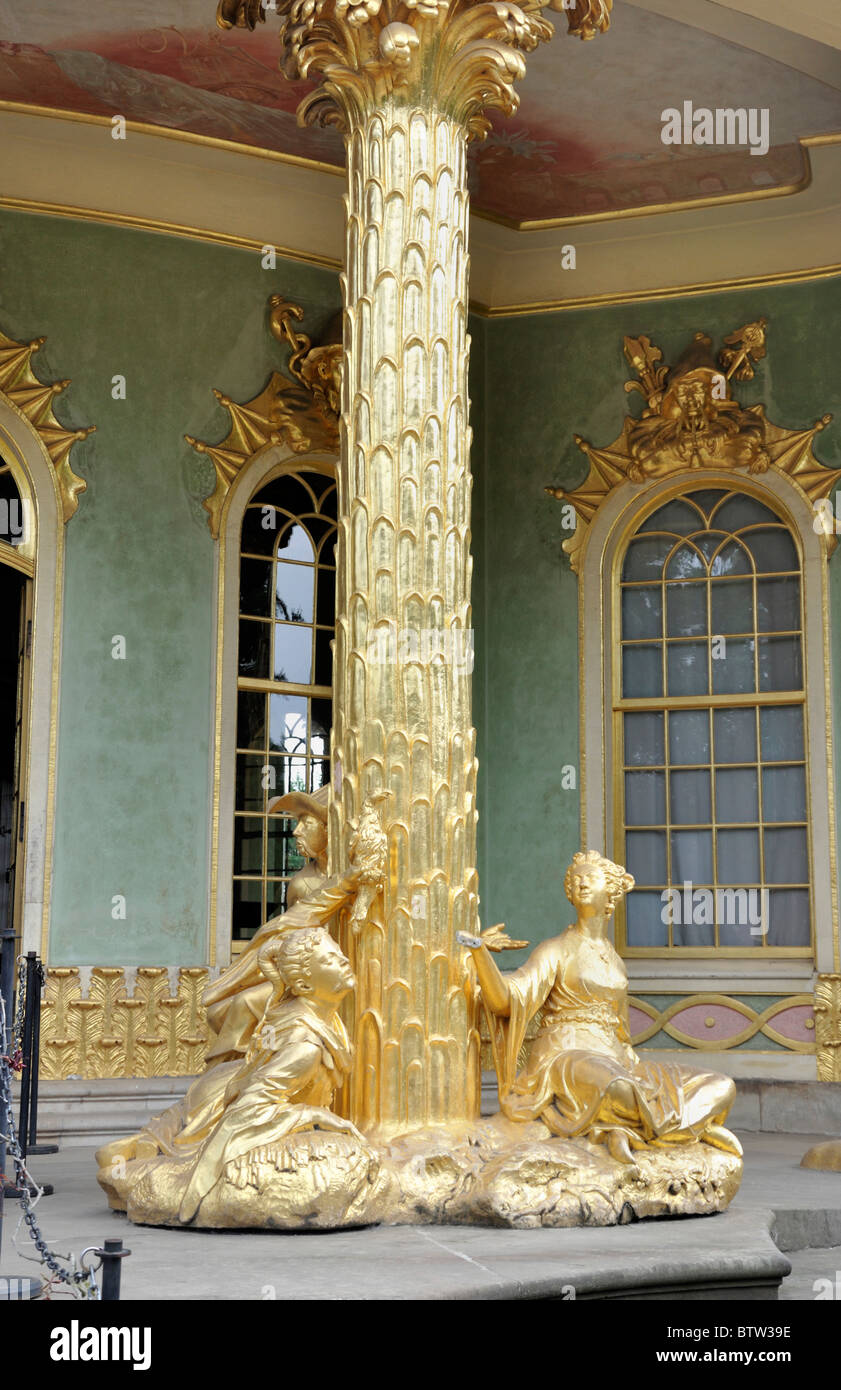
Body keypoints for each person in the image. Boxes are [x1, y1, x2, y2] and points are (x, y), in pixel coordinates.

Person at [462, 849, 742, 1167]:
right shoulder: (555, 950)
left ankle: (637, 1131)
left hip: (619, 1061)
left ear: (609, 891)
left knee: (721, 1086)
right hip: (567, 1059)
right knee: (618, 1088)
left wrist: (641, 1072)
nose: (581, 883)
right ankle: (676, 1130)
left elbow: (622, 1033)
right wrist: (480, 953)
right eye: (576, 879)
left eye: (590, 878)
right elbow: (505, 1000)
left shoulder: (616, 963)